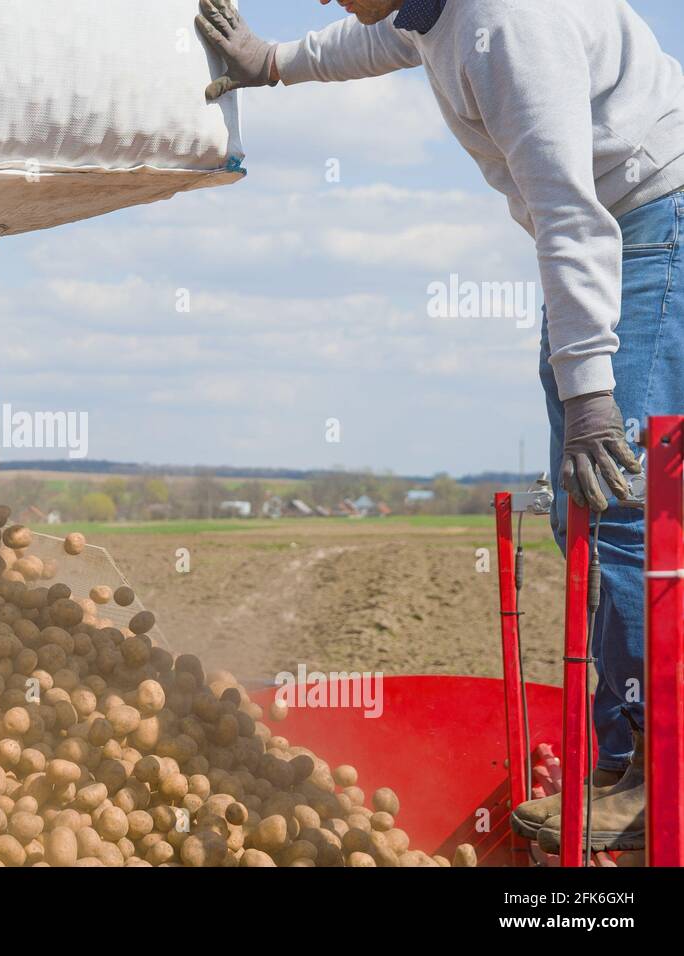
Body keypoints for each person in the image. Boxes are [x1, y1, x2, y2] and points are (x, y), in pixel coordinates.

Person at [196, 0, 684, 853]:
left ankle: (652, 774)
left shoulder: (508, 30)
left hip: (642, 222)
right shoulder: (432, 10)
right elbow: (379, 38)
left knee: (617, 514)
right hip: (620, 225)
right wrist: (269, 62)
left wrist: (591, 398)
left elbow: (570, 215)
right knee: (599, 514)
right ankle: (621, 759)